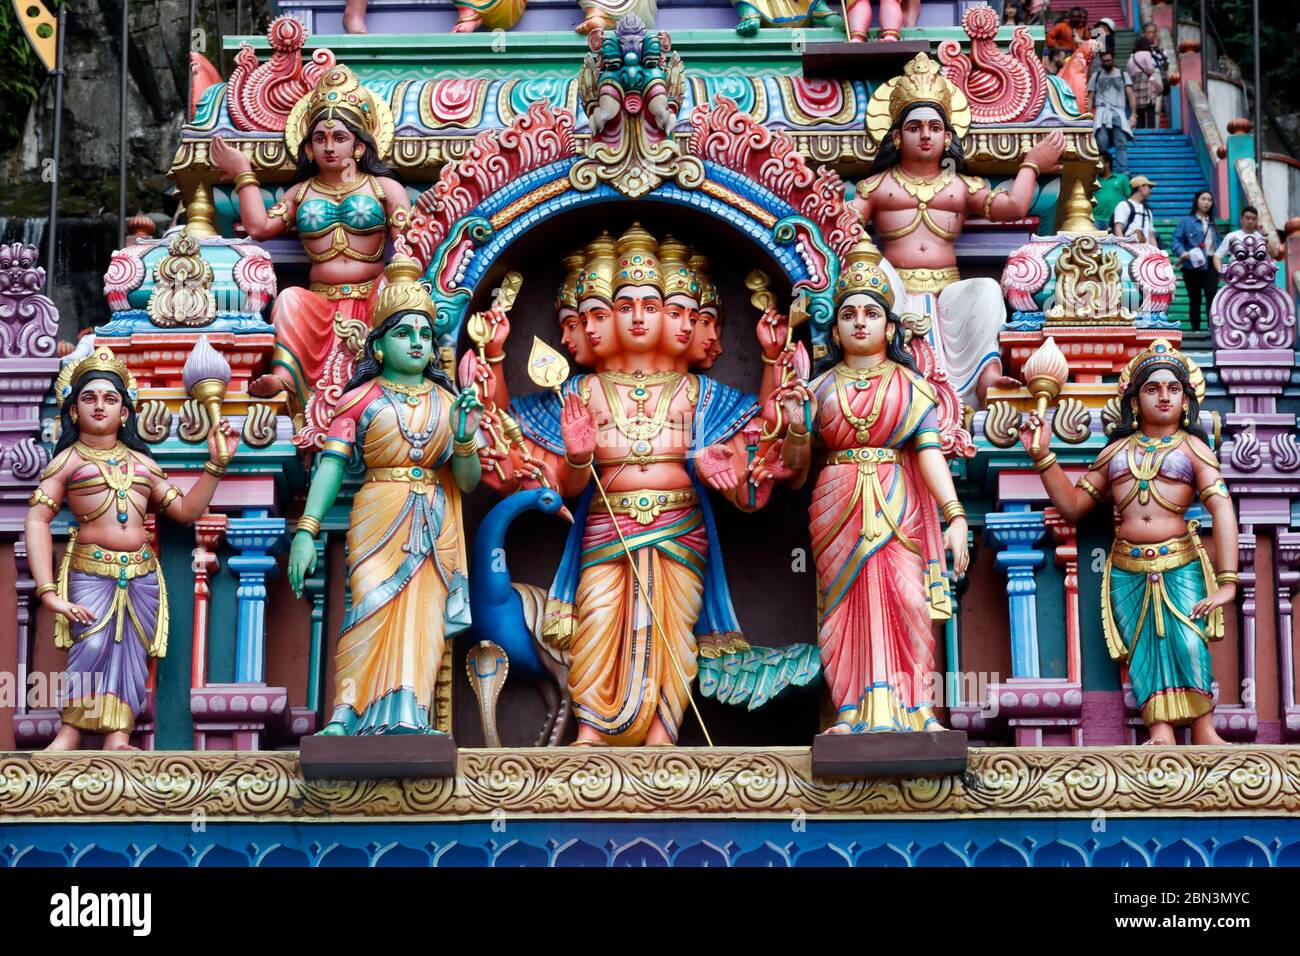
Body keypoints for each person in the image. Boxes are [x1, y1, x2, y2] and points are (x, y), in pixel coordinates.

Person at [286, 254, 485, 735]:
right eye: (403, 333)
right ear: (377, 344)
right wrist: (306, 532)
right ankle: (345, 713)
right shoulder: (359, 399)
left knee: (422, 616)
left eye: (423, 334)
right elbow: (331, 465)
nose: (416, 343)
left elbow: (468, 481)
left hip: (433, 519)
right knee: (370, 604)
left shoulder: (446, 401)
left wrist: (463, 438)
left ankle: (408, 715)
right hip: (379, 507)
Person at [779, 237, 969, 734]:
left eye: (871, 312)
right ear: (836, 330)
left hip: (897, 494)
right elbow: (796, 468)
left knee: (909, 600)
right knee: (843, 603)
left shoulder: (911, 386)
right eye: (848, 314)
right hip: (836, 499)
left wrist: (955, 517)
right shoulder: (818, 388)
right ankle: (848, 710)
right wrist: (798, 423)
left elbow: (928, 452)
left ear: (890, 326)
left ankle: (919, 709)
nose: (860, 321)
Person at [1019, 340, 1236, 745]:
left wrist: (1228, 581)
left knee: (1189, 644)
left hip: (1179, 563)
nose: (1164, 396)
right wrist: (1043, 457)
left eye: (1174, 388)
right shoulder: (1116, 452)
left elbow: (1222, 509)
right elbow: (1075, 506)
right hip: (1127, 568)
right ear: (1134, 402)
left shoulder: (1194, 449)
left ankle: (1205, 728)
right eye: (1152, 389)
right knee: (1143, 649)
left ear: (1186, 399)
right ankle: (1160, 730)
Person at [25, 347, 240, 750]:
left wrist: (216, 465)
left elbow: (184, 510)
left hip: (140, 574)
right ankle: (70, 732)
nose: (100, 406)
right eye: (89, 398)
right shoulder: (68, 461)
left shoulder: (142, 463)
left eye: (111, 399)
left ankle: (118, 735)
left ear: (125, 412)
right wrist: (48, 592)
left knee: (131, 655)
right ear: (73, 411)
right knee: (89, 646)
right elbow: (37, 519)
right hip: (91, 571)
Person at [852, 53, 1064, 407]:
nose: (925, 135)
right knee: (868, 266)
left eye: (934, 128)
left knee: (985, 290)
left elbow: (1013, 208)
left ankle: (988, 379)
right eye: (914, 127)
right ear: (897, 136)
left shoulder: (960, 186)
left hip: (948, 294)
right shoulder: (876, 186)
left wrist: (1031, 165)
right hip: (894, 291)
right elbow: (841, 226)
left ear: (948, 137)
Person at [210, 66, 409, 421]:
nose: (329, 146)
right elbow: (258, 226)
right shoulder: (301, 193)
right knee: (288, 299)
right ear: (309, 147)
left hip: (373, 297)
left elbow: (409, 248)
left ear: (359, 145)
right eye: (320, 138)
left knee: (398, 287)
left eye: (339, 137)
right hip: (321, 302)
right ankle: (284, 382)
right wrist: (244, 172)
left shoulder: (384, 189)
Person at [1170, 190, 1220, 332]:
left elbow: (1218, 245)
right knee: (1195, 298)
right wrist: (1182, 252)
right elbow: (1175, 240)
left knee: (1212, 297)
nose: (1206, 202)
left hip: (1211, 263)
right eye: (1203, 199)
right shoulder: (1187, 221)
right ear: (1197, 201)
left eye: (1209, 200)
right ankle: (1196, 330)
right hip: (1192, 265)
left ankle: (1213, 329)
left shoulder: (1212, 222)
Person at [1088, 50, 1136, 173]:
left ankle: (1122, 171)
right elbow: (1090, 97)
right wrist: (1087, 115)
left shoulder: (1123, 74)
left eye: (1109, 60)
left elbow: (1131, 95)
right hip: (1101, 112)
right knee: (1101, 143)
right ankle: (1103, 171)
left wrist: (1134, 114)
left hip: (1118, 112)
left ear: (1113, 59)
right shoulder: (1096, 76)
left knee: (1121, 143)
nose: (1107, 63)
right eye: (1104, 61)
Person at [1213, 205, 1284, 271]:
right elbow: (1217, 256)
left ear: (1257, 221)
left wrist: (1264, 234)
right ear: (1241, 220)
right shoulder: (1232, 236)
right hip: (1237, 276)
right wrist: (1221, 271)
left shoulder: (1261, 237)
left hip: (1259, 276)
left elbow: (1274, 254)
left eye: (1254, 219)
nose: (1250, 221)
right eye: (1247, 218)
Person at [1092, 150, 1131, 230]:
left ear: (1107, 164)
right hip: (1096, 220)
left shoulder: (1122, 178)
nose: (1096, 165)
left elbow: (1130, 198)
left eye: (1099, 162)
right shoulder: (1093, 180)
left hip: (1116, 221)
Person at [1113, 176, 1157, 243]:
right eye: (1149, 187)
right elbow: (1118, 229)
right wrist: (1123, 248)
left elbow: (1151, 235)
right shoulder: (1123, 205)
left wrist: (1157, 252)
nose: (1150, 190)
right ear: (1141, 187)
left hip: (1145, 250)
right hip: (1129, 249)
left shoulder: (1147, 210)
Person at [1127, 49, 1162, 129]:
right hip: (1148, 90)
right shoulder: (1147, 54)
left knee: (1140, 112)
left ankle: (1140, 130)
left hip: (1137, 92)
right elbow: (1151, 70)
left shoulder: (1131, 59)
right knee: (1150, 111)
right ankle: (1152, 130)